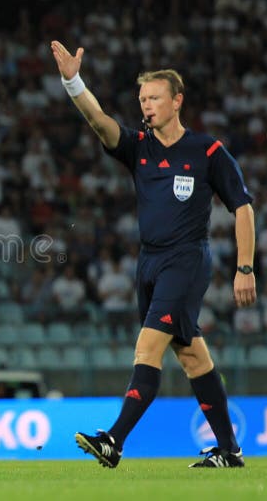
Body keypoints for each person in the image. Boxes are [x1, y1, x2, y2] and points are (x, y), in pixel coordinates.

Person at [50, 41, 256, 468]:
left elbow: (243, 207)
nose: (146, 105)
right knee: (193, 356)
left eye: (155, 98)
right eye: (142, 99)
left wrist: (245, 267)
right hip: (149, 264)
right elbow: (98, 121)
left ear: (177, 101)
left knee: (147, 349)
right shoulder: (138, 147)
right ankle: (229, 450)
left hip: (186, 260)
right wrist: (73, 82)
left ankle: (114, 440)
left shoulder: (207, 151)